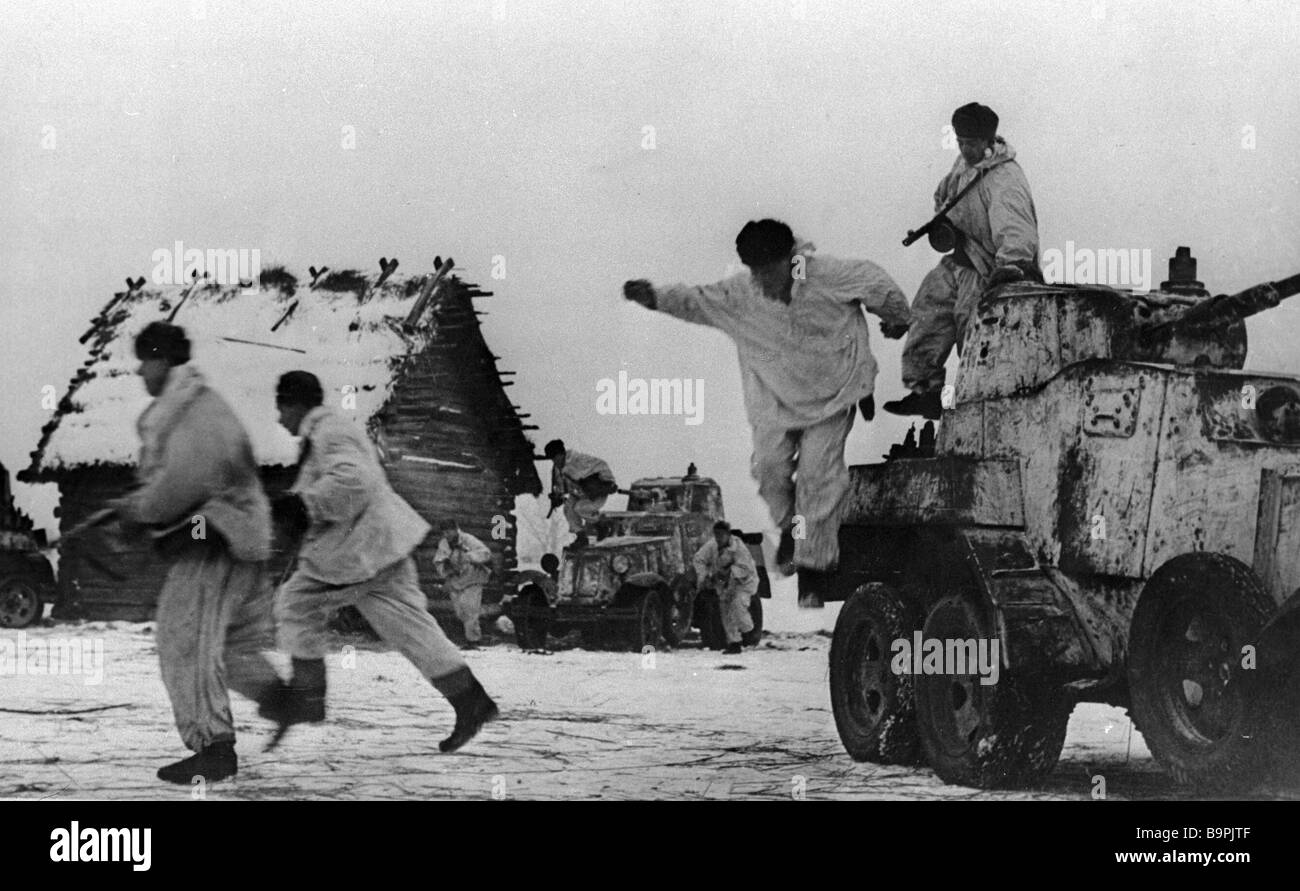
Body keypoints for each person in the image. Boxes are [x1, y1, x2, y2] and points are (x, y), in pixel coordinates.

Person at [623, 219, 910, 602]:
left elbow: (876, 283)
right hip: (774, 401)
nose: (764, 280)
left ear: (791, 260)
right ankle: (793, 530)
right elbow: (696, 299)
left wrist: (896, 317)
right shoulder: (743, 294)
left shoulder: (827, 275)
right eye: (756, 272)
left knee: (816, 476)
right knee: (770, 470)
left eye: (770, 271)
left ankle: (813, 567)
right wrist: (655, 297)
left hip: (835, 393)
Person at [264, 371, 498, 753]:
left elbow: (353, 482)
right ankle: (472, 702)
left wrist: (304, 504)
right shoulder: (330, 432)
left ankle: (308, 698)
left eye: (280, 408)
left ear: (293, 403)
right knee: (415, 630)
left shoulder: (328, 432)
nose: (278, 419)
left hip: (357, 555)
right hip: (381, 550)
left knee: (294, 603)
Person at [115, 321, 282, 784]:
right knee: (226, 645)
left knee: (183, 638)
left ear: (164, 361)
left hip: (218, 539)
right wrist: (137, 506)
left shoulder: (194, 413)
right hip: (231, 537)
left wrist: (138, 511)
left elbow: (182, 483)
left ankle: (214, 747)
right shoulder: (190, 407)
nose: (139, 371)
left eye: (144, 359)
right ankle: (283, 699)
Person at [884, 102, 1041, 420]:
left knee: (973, 338)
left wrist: (1011, 266)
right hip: (958, 259)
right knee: (927, 312)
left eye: (971, 143)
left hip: (987, 270)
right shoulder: (964, 164)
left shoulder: (1004, 179)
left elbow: (1016, 227)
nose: (965, 149)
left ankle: (972, 405)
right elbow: (945, 195)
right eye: (961, 142)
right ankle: (925, 392)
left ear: (988, 140)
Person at [692, 520, 760, 655]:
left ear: (728, 535)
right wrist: (705, 575)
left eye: (721, 535)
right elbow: (699, 559)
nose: (718, 538)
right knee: (726, 613)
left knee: (738, 606)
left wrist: (728, 572)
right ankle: (734, 643)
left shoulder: (739, 547)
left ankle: (749, 632)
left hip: (743, 583)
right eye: (716, 534)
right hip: (724, 585)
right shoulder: (712, 545)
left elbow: (745, 568)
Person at [432, 518, 493, 648]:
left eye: (449, 532)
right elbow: (438, 560)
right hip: (456, 579)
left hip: (473, 578)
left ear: (455, 530)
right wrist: (445, 567)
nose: (447, 535)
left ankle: (473, 641)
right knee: (460, 612)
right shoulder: (444, 543)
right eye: (444, 532)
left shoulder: (468, 539)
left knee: (470, 608)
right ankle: (471, 636)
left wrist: (469, 556)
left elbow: (486, 553)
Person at [544, 439, 617, 535]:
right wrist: (558, 496)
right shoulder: (557, 470)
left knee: (581, 508)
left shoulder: (579, 460)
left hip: (595, 493)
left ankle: (603, 525)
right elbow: (560, 486)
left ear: (562, 454)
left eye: (555, 457)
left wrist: (608, 481)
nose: (554, 461)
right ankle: (580, 536)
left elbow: (601, 465)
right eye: (552, 459)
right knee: (569, 509)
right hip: (578, 494)